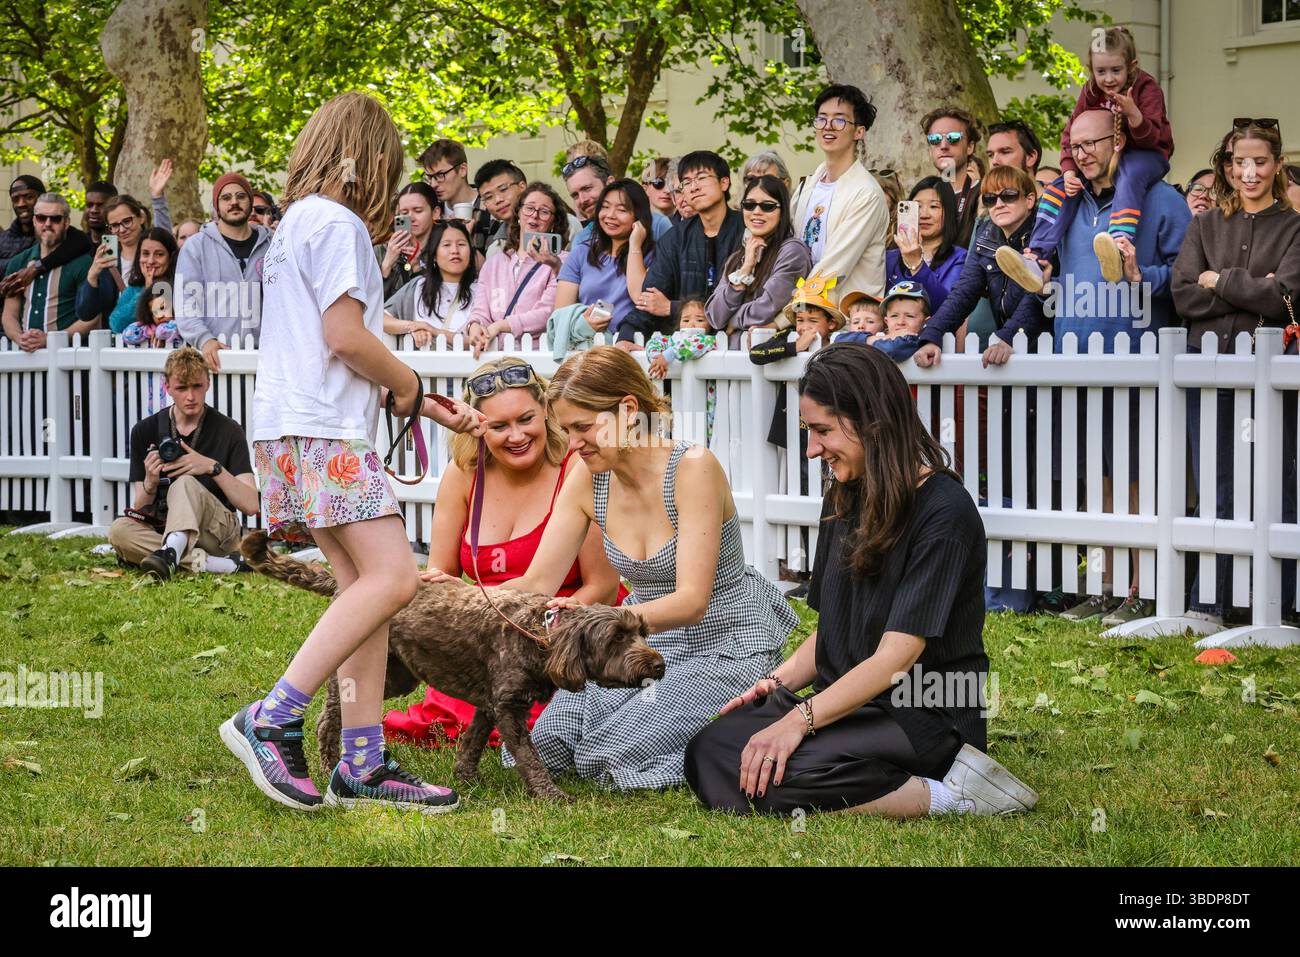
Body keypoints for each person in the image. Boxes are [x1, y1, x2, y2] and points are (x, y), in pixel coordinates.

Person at [222, 91, 485, 815]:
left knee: (362, 586)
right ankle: (271, 715)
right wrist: (405, 376)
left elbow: (327, 349)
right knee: (396, 576)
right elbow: (345, 336)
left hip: (290, 426)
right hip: (324, 433)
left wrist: (417, 397)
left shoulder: (294, 227)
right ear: (367, 159)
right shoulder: (335, 223)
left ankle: (362, 762)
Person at [685, 343, 1039, 818]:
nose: (811, 449)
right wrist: (776, 682)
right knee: (709, 751)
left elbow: (897, 658)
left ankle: (952, 796)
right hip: (853, 701)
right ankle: (853, 771)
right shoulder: (843, 495)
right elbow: (832, 626)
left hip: (923, 712)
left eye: (822, 431)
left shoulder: (944, 513)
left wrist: (799, 719)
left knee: (773, 779)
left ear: (873, 421)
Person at [465, 345, 796, 790]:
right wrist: (456, 598)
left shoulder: (693, 468)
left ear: (627, 410)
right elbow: (537, 582)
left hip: (723, 640)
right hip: (632, 643)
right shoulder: (588, 475)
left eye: (583, 427)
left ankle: (726, 742)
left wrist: (590, 624)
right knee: (545, 745)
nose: (573, 442)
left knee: (606, 756)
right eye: (566, 429)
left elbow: (692, 601)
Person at [385, 356, 625, 747]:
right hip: (482, 634)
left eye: (525, 419)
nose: (516, 436)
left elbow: (601, 589)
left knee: (538, 719)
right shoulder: (463, 475)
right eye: (499, 426)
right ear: (478, 427)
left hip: (560, 634)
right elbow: (441, 575)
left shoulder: (576, 472)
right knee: (451, 716)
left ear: (546, 410)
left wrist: (546, 641)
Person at [1173, 119, 1300, 627]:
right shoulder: (1205, 226)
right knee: (1216, 484)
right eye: (1239, 162)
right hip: (1211, 371)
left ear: (1276, 164)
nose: (1249, 172)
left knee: (1276, 483)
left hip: (1270, 375)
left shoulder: (1294, 227)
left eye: (1260, 162)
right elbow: (1183, 294)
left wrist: (1218, 280)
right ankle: (1211, 602)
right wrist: (1250, 287)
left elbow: (1284, 296)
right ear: (1228, 166)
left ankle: (1282, 605)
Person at [1006, 26, 1174, 293]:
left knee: (1129, 173)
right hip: (1107, 156)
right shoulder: (1091, 91)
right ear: (1091, 69)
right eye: (1101, 71)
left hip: (1147, 154)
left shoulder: (1147, 88)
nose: (1108, 79)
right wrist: (1070, 171)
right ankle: (1036, 258)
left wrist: (1134, 116)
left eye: (1116, 70)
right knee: (1059, 188)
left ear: (1131, 66)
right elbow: (1071, 133)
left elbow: (1153, 137)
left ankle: (1118, 244)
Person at [107, 346, 257, 579]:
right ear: (167, 387)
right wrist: (150, 482)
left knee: (185, 483)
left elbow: (251, 505)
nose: (190, 396)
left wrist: (212, 468)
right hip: (164, 525)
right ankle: (218, 565)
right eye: (181, 388)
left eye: (197, 386)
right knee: (119, 531)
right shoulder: (144, 431)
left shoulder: (229, 430)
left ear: (208, 383)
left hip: (216, 532)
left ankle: (169, 554)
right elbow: (140, 509)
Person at [914, 167, 1047, 369]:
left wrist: (1009, 338)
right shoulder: (985, 237)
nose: (999, 204)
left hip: (1047, 348)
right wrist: (932, 335)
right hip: (1008, 350)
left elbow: (1036, 296)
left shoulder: (1045, 236)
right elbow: (964, 292)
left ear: (1029, 200)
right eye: (990, 199)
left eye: (1008, 195)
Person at [622, 150, 744, 344]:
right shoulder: (675, 238)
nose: (693, 187)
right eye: (686, 183)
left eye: (701, 178)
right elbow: (650, 300)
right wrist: (626, 335)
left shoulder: (747, 229)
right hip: (681, 350)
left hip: (737, 346)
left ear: (724, 182)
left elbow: (745, 299)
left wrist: (672, 307)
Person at [792, 84, 889, 303]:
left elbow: (833, 269)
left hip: (847, 323)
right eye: (822, 118)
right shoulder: (808, 185)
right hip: (803, 314)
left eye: (839, 120)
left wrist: (782, 317)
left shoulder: (867, 194)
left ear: (859, 131)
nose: (828, 126)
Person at [175, 172, 273, 368]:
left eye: (241, 196)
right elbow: (185, 302)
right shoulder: (196, 247)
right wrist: (204, 339)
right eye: (226, 198)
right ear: (216, 206)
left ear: (250, 201)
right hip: (215, 359)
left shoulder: (273, 243)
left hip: (266, 359)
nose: (234, 202)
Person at [706, 174, 811, 346]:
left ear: (782, 211)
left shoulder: (792, 252)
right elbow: (714, 316)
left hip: (772, 360)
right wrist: (745, 269)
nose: (756, 211)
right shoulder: (737, 257)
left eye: (767, 206)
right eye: (749, 205)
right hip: (729, 362)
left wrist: (731, 320)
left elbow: (766, 309)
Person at [466, 182, 569, 355]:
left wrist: (501, 326)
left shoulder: (562, 262)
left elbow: (547, 314)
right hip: (494, 358)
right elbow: (480, 310)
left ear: (553, 222)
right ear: (519, 214)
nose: (534, 216)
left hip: (538, 358)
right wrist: (474, 325)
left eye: (544, 212)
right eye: (529, 208)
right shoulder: (494, 263)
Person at [555, 179, 655, 341]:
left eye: (622, 210)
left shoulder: (653, 255)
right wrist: (584, 324)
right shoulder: (581, 253)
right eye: (605, 207)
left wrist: (635, 246)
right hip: (585, 346)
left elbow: (639, 297)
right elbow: (560, 316)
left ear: (638, 215)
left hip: (632, 346)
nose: (610, 215)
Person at [2, 193, 99, 351]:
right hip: (24, 358)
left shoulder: (83, 263)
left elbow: (93, 319)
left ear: (66, 223)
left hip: (68, 358)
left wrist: (49, 339)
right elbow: (9, 314)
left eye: (55, 219)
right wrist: (20, 338)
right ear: (34, 220)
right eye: (41, 218)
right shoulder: (18, 262)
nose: (47, 223)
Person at [382, 220, 478, 346]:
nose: (455, 250)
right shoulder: (418, 286)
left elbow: (480, 339)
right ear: (434, 255)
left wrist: (432, 330)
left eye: (461, 244)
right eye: (446, 245)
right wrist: (413, 327)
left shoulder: (481, 289)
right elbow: (381, 318)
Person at [0, 175, 94, 301]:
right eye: (16, 199)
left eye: (28, 197)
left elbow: (83, 242)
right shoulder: (3, 239)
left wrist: (36, 268)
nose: (21, 204)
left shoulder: (61, 235)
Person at [886, 177, 967, 315]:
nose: (923, 215)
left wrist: (916, 264)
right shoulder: (889, 258)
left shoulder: (960, 258)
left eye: (934, 206)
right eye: (917, 207)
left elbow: (946, 308)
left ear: (949, 212)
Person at [76, 194, 153, 326]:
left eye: (127, 221)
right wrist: (92, 276)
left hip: (150, 337)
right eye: (115, 225)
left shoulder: (154, 256)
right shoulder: (107, 262)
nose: (122, 229)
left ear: (141, 217)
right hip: (114, 342)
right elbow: (85, 313)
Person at [563, 154, 672, 245]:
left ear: (609, 182)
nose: (582, 200)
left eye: (587, 188)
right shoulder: (580, 240)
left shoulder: (656, 225)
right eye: (575, 195)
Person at [419, 138, 494, 256]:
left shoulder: (491, 208)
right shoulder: (431, 214)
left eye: (440, 175)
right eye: (429, 177)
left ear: (462, 170)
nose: (433, 184)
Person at [922, 106, 983, 246]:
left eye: (953, 137)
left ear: (970, 147)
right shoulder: (920, 196)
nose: (943, 145)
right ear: (930, 150)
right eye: (935, 139)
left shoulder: (984, 196)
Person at [374, 182, 441, 299]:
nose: (411, 218)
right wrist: (386, 266)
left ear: (435, 213)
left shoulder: (443, 251)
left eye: (418, 210)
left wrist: (418, 268)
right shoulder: (380, 251)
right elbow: (370, 303)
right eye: (404, 213)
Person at [106, 226, 177, 334]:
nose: (150, 261)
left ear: (171, 257)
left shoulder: (180, 286)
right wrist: (146, 291)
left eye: (159, 254)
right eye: (145, 254)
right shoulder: (134, 289)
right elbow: (116, 325)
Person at [849, 280, 929, 363]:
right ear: (886, 321)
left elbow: (891, 350)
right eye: (894, 316)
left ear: (926, 322)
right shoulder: (881, 335)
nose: (900, 322)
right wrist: (886, 337)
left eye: (910, 316)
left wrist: (860, 344)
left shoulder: (915, 340)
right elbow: (839, 339)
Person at [474, 159, 528, 256]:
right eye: (489, 197)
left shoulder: (556, 225)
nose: (498, 200)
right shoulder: (495, 250)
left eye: (503, 189)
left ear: (522, 187)